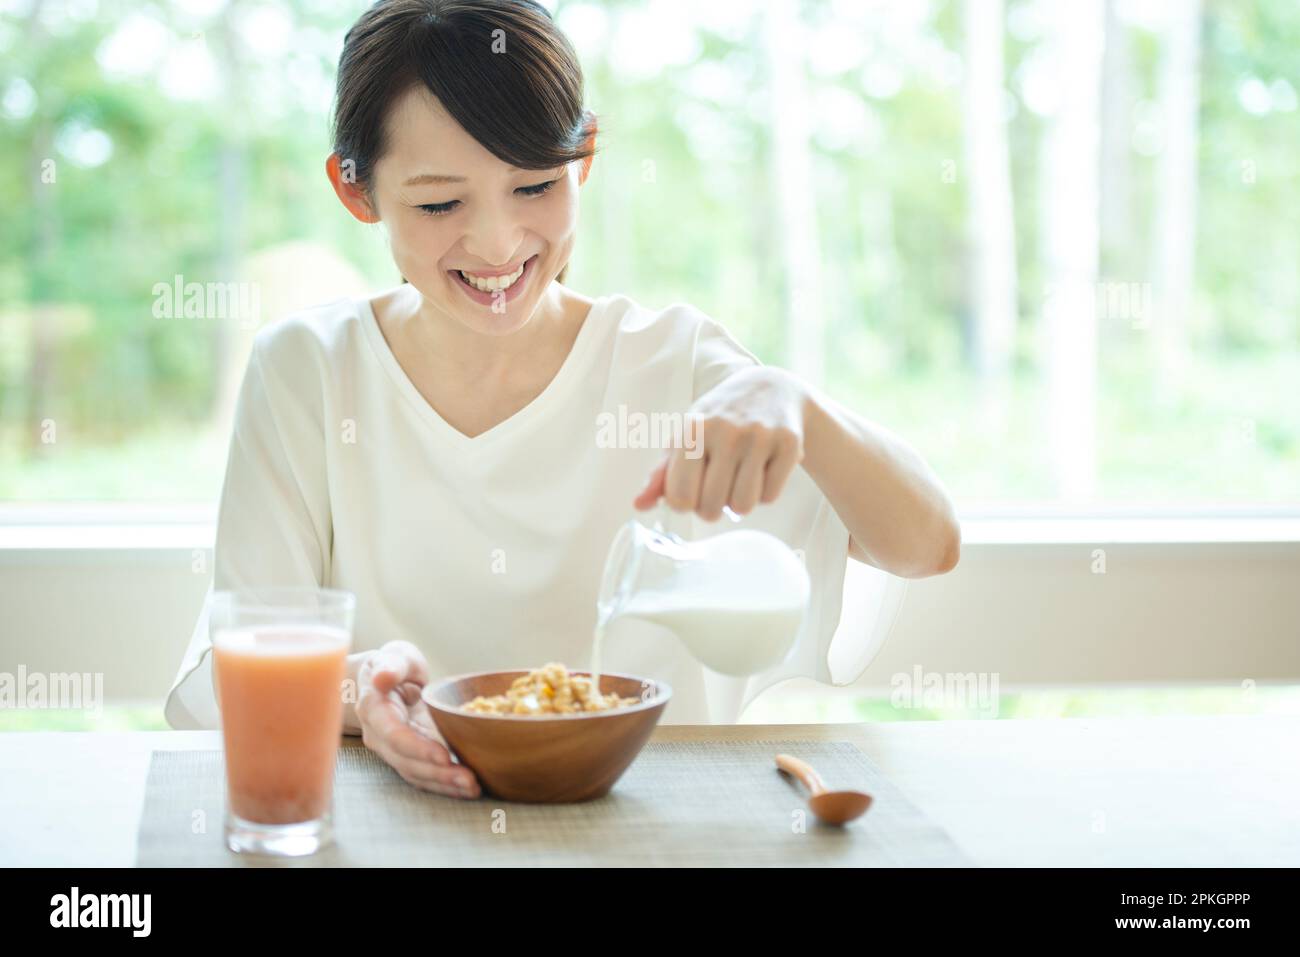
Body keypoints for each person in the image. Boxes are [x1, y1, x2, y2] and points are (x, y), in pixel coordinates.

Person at [164, 0, 960, 802]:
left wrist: (802, 407)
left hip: (655, 835)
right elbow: (244, 660)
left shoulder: (673, 363)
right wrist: (360, 689)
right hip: (398, 831)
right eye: (441, 203)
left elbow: (925, 545)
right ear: (355, 190)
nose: (498, 244)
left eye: (534, 185)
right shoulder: (307, 371)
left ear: (581, 163)